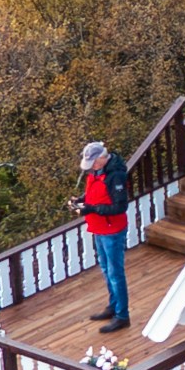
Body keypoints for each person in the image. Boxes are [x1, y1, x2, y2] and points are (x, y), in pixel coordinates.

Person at [75, 134, 131, 330]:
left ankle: (122, 315)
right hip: (99, 227)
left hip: (112, 229)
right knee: (107, 269)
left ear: (101, 158)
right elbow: (96, 193)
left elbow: (120, 207)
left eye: (93, 162)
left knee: (116, 272)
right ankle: (113, 306)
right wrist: (82, 200)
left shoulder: (116, 175)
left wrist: (93, 209)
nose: (91, 166)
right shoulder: (98, 172)